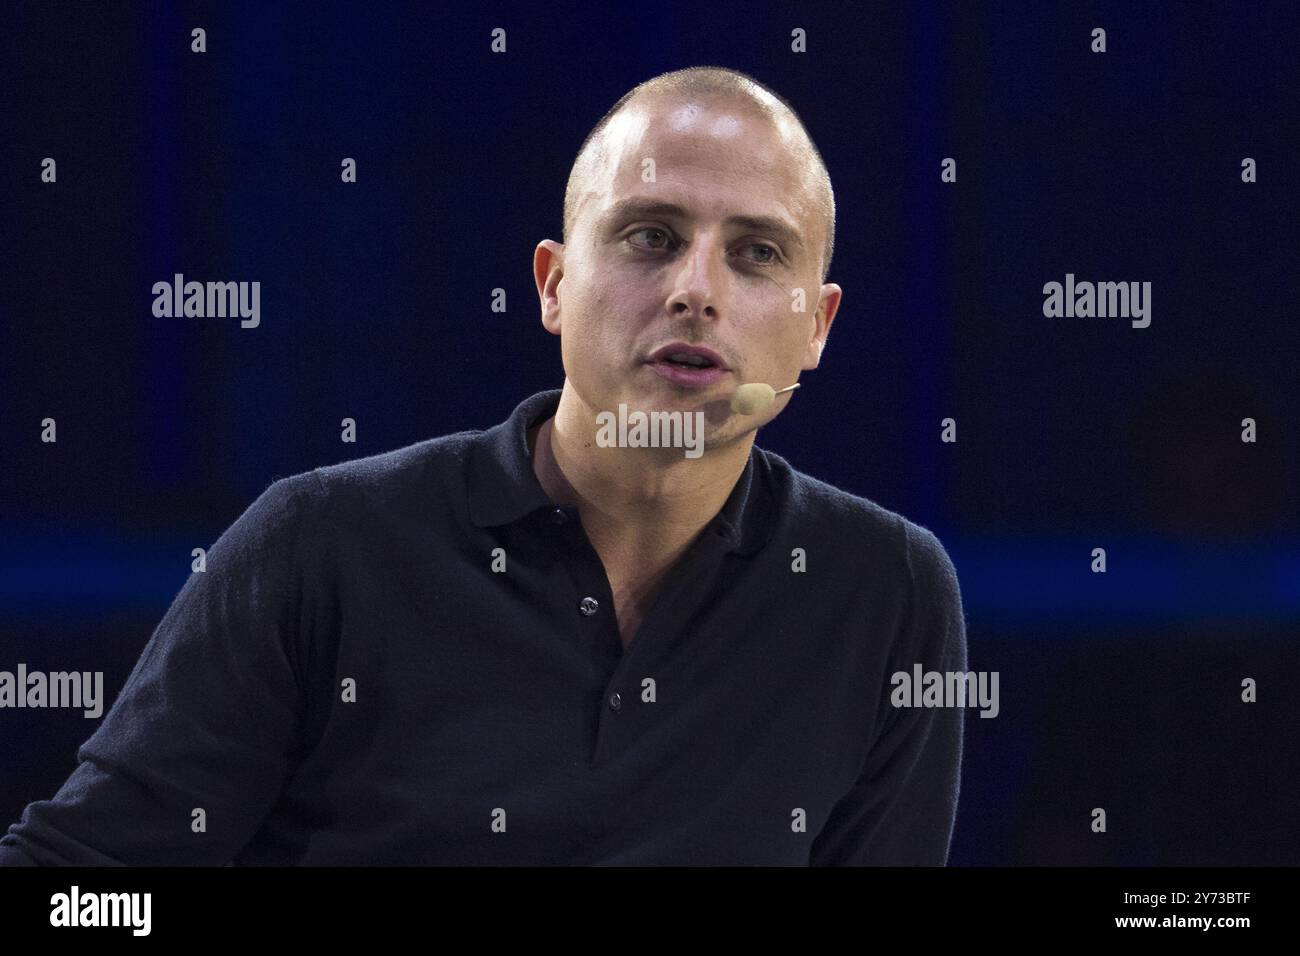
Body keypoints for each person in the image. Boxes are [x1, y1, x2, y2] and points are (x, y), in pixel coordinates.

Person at [0, 65, 967, 866]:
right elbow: (83, 882)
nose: (695, 292)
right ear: (553, 285)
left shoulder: (887, 591)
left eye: (757, 254)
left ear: (817, 327)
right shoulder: (321, 545)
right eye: (651, 237)